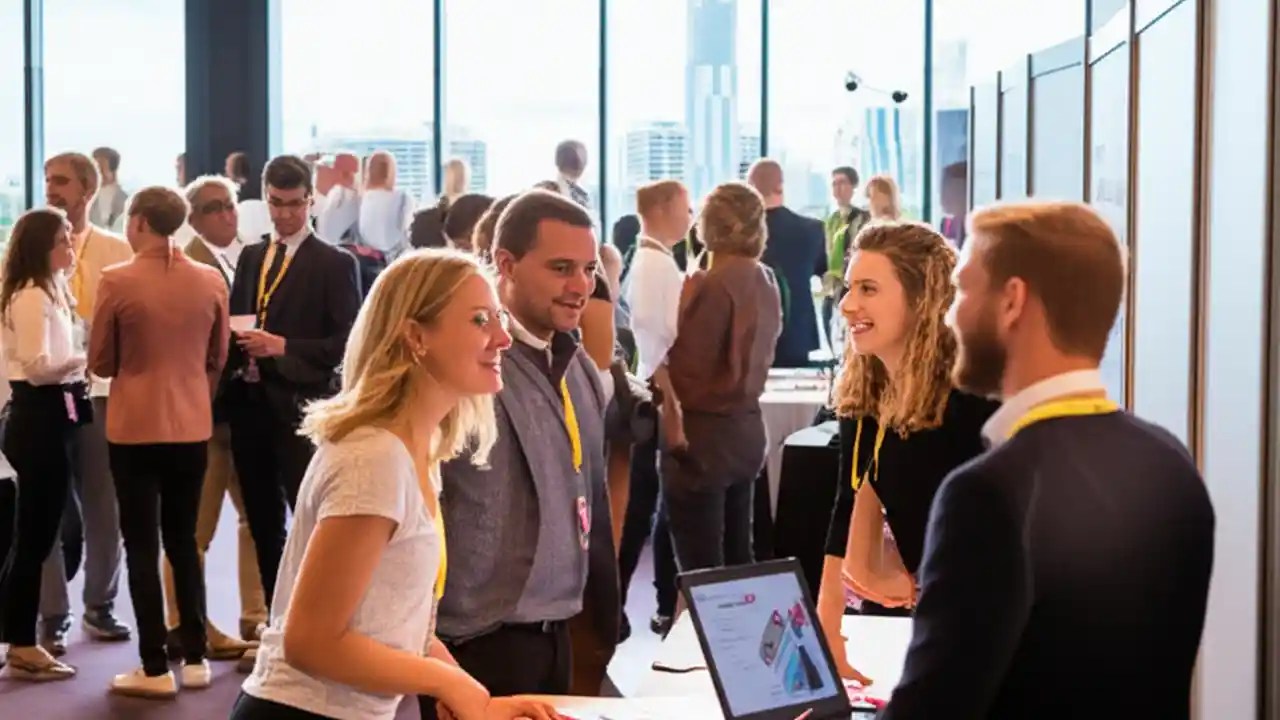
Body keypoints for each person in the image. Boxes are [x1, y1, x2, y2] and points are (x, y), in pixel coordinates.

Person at [880, 201, 1214, 718]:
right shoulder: (1172, 465)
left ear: (1012, 301)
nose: (950, 314)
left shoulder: (990, 493)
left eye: (964, 289)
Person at [233, 249, 556, 720]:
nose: (504, 338)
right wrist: (446, 682)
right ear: (414, 335)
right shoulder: (375, 458)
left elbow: (395, 623)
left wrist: (474, 697)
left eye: (499, 319)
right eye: (480, 320)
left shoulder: (413, 454)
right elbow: (311, 642)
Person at [422, 190, 620, 714]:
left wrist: (601, 622)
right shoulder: (458, 365)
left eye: (587, 268)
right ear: (504, 264)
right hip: (474, 641)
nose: (581, 286)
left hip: (564, 634)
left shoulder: (580, 368)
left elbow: (592, 501)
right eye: (561, 268)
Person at [814, 222, 997, 683]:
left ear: (922, 300)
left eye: (868, 289)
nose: (847, 304)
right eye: (850, 287)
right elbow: (847, 500)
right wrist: (826, 631)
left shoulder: (971, 399)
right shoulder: (868, 385)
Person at [89, 186, 230, 697]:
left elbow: (100, 360)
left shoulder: (116, 279)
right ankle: (195, 657)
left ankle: (153, 666)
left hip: (133, 428)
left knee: (141, 544)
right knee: (183, 543)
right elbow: (219, 356)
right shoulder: (210, 279)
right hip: (192, 424)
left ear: (142, 222)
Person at [225, 154, 362, 610]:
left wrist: (282, 347)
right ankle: (274, 616)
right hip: (248, 404)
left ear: (311, 201)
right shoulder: (250, 256)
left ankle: (314, 617)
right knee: (262, 521)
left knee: (310, 518)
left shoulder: (334, 263)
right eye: (276, 203)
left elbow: (345, 344)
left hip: (301, 408)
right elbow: (238, 318)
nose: (285, 214)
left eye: (295, 204)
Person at [165, 175, 263, 667]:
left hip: (239, 412)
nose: (229, 214)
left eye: (231, 206)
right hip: (200, 415)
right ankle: (185, 623)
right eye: (215, 207)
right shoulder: (188, 264)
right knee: (194, 530)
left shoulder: (245, 257)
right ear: (194, 216)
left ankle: (255, 617)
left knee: (256, 518)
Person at [662, 182, 782, 573]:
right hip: (745, 432)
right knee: (739, 560)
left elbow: (689, 372)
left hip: (702, 438)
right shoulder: (766, 279)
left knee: (702, 571)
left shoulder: (710, 285)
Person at [41, 151, 133, 655]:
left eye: (61, 182)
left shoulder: (118, 251)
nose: (52, 189)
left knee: (104, 503)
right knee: (46, 507)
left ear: (88, 190)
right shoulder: (27, 247)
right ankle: (51, 614)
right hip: (44, 399)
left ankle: (100, 605)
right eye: (48, 181)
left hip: (98, 395)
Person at [0, 209, 85, 682]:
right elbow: (35, 366)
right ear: (39, 246)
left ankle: (19, 637)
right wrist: (82, 360)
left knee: (38, 532)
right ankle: (23, 642)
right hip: (37, 414)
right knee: (34, 536)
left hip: (49, 415)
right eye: (60, 239)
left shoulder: (53, 288)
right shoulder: (31, 296)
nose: (69, 244)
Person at [748, 159, 826, 368]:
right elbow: (827, 276)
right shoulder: (812, 230)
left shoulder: (739, 233)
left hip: (748, 336)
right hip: (796, 336)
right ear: (781, 185)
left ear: (750, 187)